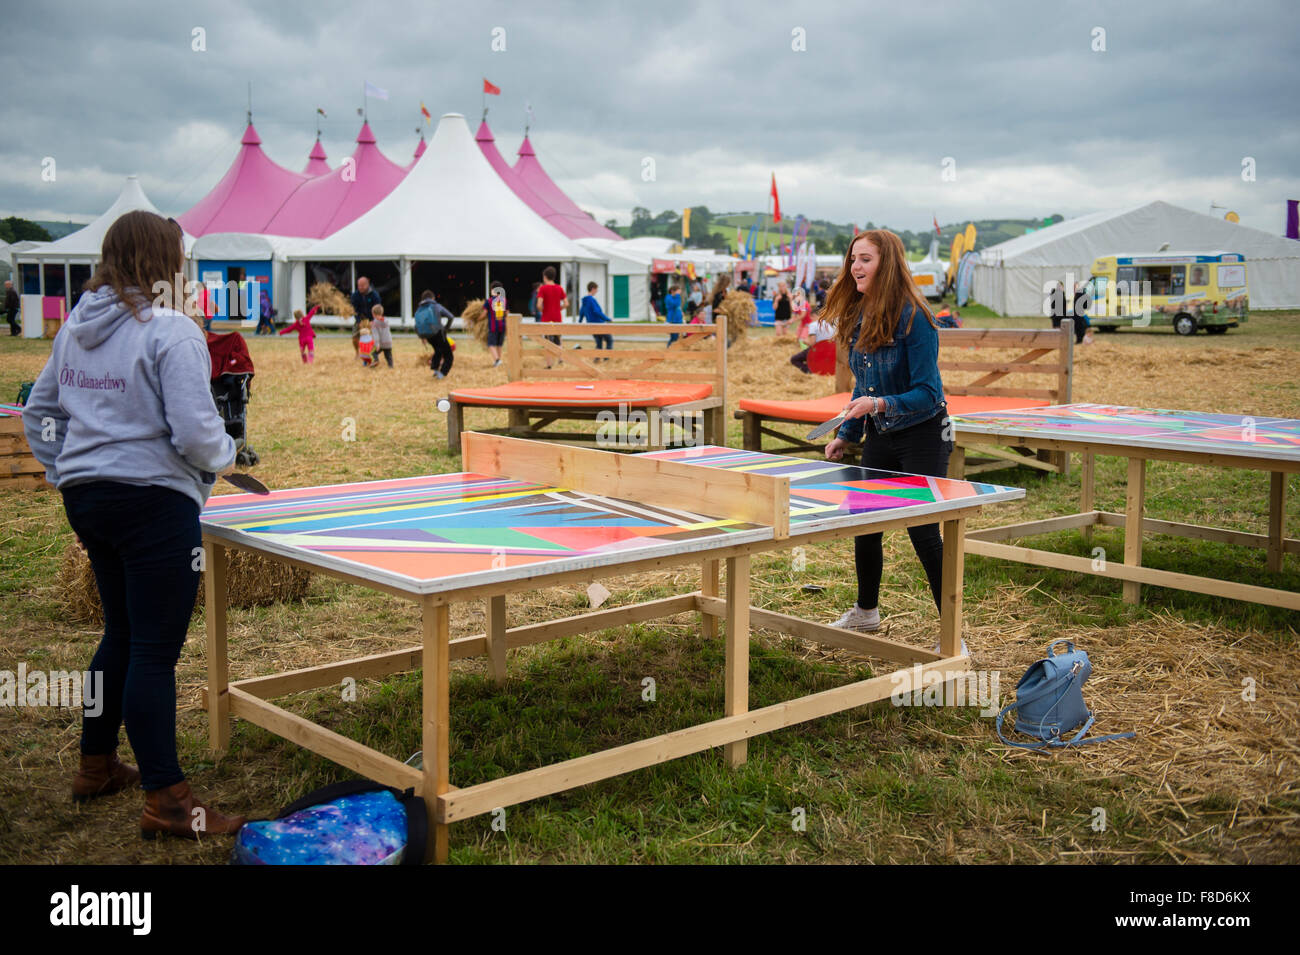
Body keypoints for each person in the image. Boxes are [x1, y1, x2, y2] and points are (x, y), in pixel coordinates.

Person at [21, 210, 245, 840]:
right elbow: (198, 434)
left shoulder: (76, 325)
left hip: (90, 501)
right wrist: (228, 459)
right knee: (153, 650)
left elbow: (38, 410)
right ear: (164, 259)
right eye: (178, 251)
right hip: (151, 504)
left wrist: (67, 469)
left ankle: (96, 765)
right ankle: (168, 802)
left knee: (120, 633)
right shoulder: (172, 330)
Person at [821, 230, 952, 637]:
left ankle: (952, 630)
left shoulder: (917, 317)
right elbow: (865, 385)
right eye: (853, 260)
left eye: (865, 260)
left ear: (887, 264)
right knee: (865, 520)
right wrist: (848, 431)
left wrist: (878, 406)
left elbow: (928, 392)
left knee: (924, 530)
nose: (855, 267)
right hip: (881, 432)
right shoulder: (861, 314)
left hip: (924, 434)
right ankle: (866, 612)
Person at [415, 290, 457, 376]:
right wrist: (446, 328)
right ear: (433, 298)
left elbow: (417, 325)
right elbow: (451, 317)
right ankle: (442, 374)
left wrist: (422, 337)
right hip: (438, 333)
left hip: (428, 335)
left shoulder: (420, 309)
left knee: (438, 351)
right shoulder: (436, 306)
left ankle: (435, 370)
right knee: (449, 356)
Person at [537, 266, 567, 367]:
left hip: (546, 318)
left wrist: (543, 311)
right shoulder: (559, 288)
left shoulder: (543, 289)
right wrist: (559, 309)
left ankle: (549, 364)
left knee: (547, 341)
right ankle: (561, 359)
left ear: (545, 276)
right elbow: (566, 303)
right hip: (557, 317)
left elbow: (539, 304)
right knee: (558, 339)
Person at [350, 276, 381, 356]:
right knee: (354, 337)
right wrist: (359, 321)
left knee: (374, 338)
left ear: (367, 285)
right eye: (359, 286)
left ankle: (373, 354)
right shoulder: (355, 296)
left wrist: (373, 321)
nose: (360, 287)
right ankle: (357, 352)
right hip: (360, 319)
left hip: (372, 319)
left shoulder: (375, 295)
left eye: (362, 286)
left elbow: (378, 309)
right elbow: (354, 310)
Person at [580, 281, 613, 353]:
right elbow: (597, 311)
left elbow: (581, 312)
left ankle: (597, 358)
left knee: (599, 343)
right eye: (596, 289)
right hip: (599, 324)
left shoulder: (584, 301)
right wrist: (607, 319)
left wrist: (579, 322)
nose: (597, 291)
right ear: (593, 289)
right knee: (609, 339)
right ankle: (606, 358)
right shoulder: (591, 300)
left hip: (591, 325)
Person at [482, 285, 507, 367]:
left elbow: (484, 313)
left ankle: (497, 360)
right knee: (499, 344)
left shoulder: (489, 301)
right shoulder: (504, 301)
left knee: (491, 344)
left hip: (493, 326)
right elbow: (507, 313)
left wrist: (477, 319)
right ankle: (499, 361)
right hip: (502, 325)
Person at [369, 304, 394, 368]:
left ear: (373, 314)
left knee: (373, 352)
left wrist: (377, 344)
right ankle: (391, 366)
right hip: (388, 342)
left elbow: (376, 335)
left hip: (380, 343)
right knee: (388, 355)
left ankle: (376, 360)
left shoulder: (375, 324)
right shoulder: (386, 321)